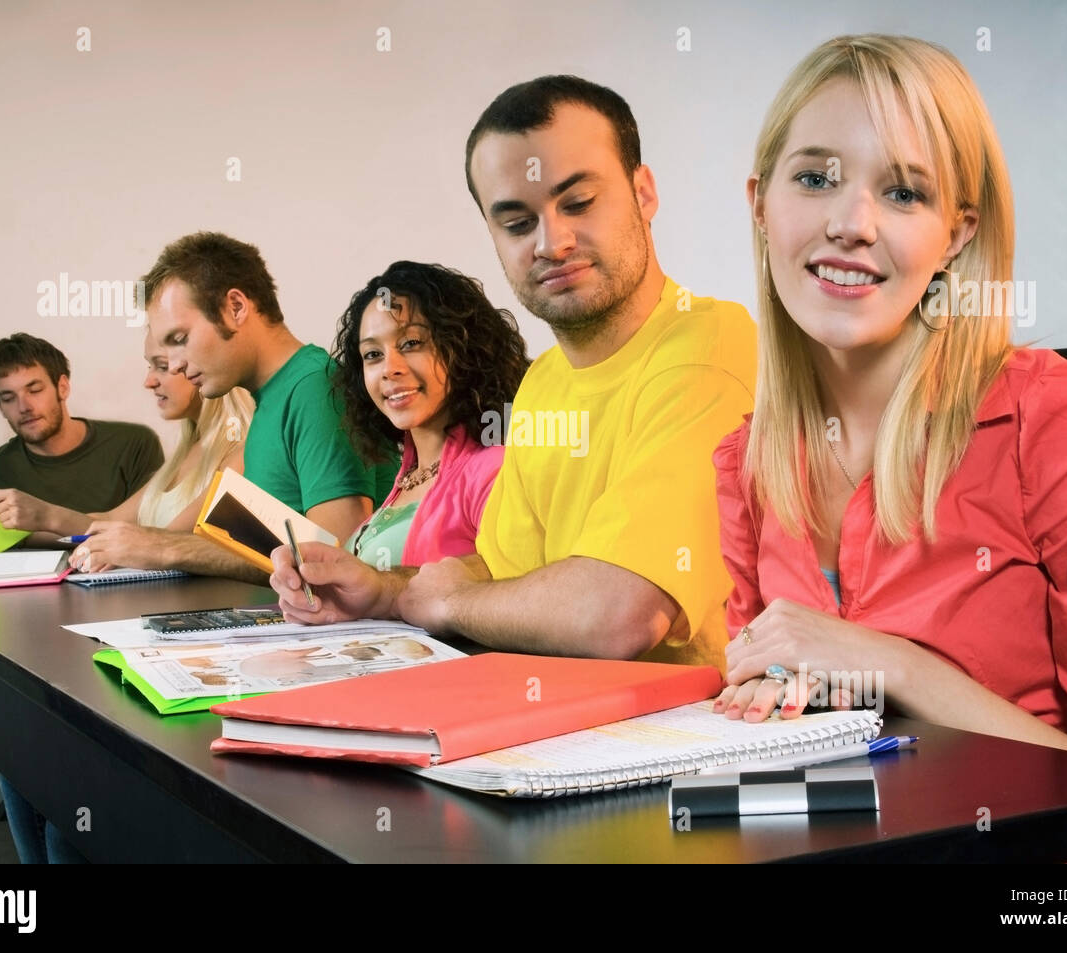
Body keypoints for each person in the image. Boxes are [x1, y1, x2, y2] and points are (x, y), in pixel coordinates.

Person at [711, 34, 1067, 862]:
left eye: (902, 192)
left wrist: (897, 667)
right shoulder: (748, 461)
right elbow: (768, 726)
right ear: (761, 204)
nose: (850, 223)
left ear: (957, 234)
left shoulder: (1050, 416)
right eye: (815, 176)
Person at [271, 76, 757, 670]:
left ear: (643, 192)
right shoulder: (544, 381)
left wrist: (448, 605)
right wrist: (383, 592)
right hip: (547, 725)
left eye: (578, 202)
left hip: (684, 744)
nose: (552, 242)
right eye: (517, 222)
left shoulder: (710, 345)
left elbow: (619, 613)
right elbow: (502, 571)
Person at [74, 232, 397, 579]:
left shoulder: (315, 387)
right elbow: (264, 546)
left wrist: (165, 547)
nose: (177, 364)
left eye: (180, 339)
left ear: (236, 308)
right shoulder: (269, 402)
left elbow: (333, 558)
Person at [0, 329, 254, 559]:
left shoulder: (242, 450)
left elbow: (162, 544)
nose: (148, 381)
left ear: (202, 366)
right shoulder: (186, 454)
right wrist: (18, 528)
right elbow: (108, 522)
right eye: (150, 367)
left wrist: (48, 516)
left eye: (161, 366)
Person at [330, 261, 529, 569]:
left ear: (462, 347)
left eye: (411, 343)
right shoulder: (407, 476)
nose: (389, 368)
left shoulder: (494, 468)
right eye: (373, 354)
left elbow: (512, 592)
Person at [0, 333, 165, 543]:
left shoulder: (133, 444)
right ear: (0, 407)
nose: (24, 406)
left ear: (62, 387)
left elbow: (147, 531)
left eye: (34, 390)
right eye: (8, 398)